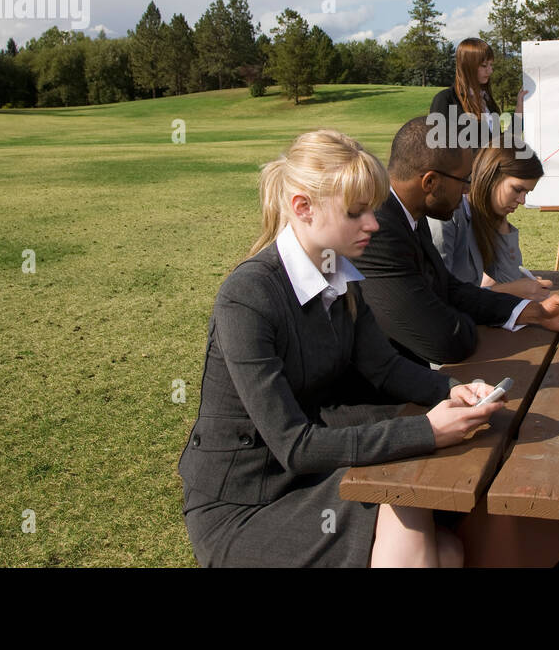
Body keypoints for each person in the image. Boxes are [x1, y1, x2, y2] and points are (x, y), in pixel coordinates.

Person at [178, 130, 507, 567]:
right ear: (302, 208)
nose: (372, 223)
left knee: (446, 551)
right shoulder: (248, 297)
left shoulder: (343, 277)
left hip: (311, 478)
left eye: (372, 210)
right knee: (407, 505)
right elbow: (293, 446)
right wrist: (426, 431)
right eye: (356, 213)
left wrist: (452, 390)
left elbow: (386, 368)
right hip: (246, 502)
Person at [353, 116, 559, 368]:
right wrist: (465, 317)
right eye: (464, 180)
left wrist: (535, 312)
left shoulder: (409, 214)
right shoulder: (379, 229)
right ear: (430, 182)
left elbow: (449, 289)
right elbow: (446, 340)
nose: (469, 189)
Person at [428, 143, 552, 301]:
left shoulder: (484, 216)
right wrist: (507, 290)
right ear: (492, 176)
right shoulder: (447, 216)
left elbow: (509, 278)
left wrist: (502, 224)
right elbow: (437, 294)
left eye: (526, 192)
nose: (522, 200)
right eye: (517, 189)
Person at [429, 37, 523, 145]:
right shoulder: (445, 100)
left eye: (491, 65)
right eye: (484, 65)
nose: (490, 70)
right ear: (467, 66)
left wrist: (519, 108)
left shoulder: (488, 101)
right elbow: (438, 150)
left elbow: (503, 146)